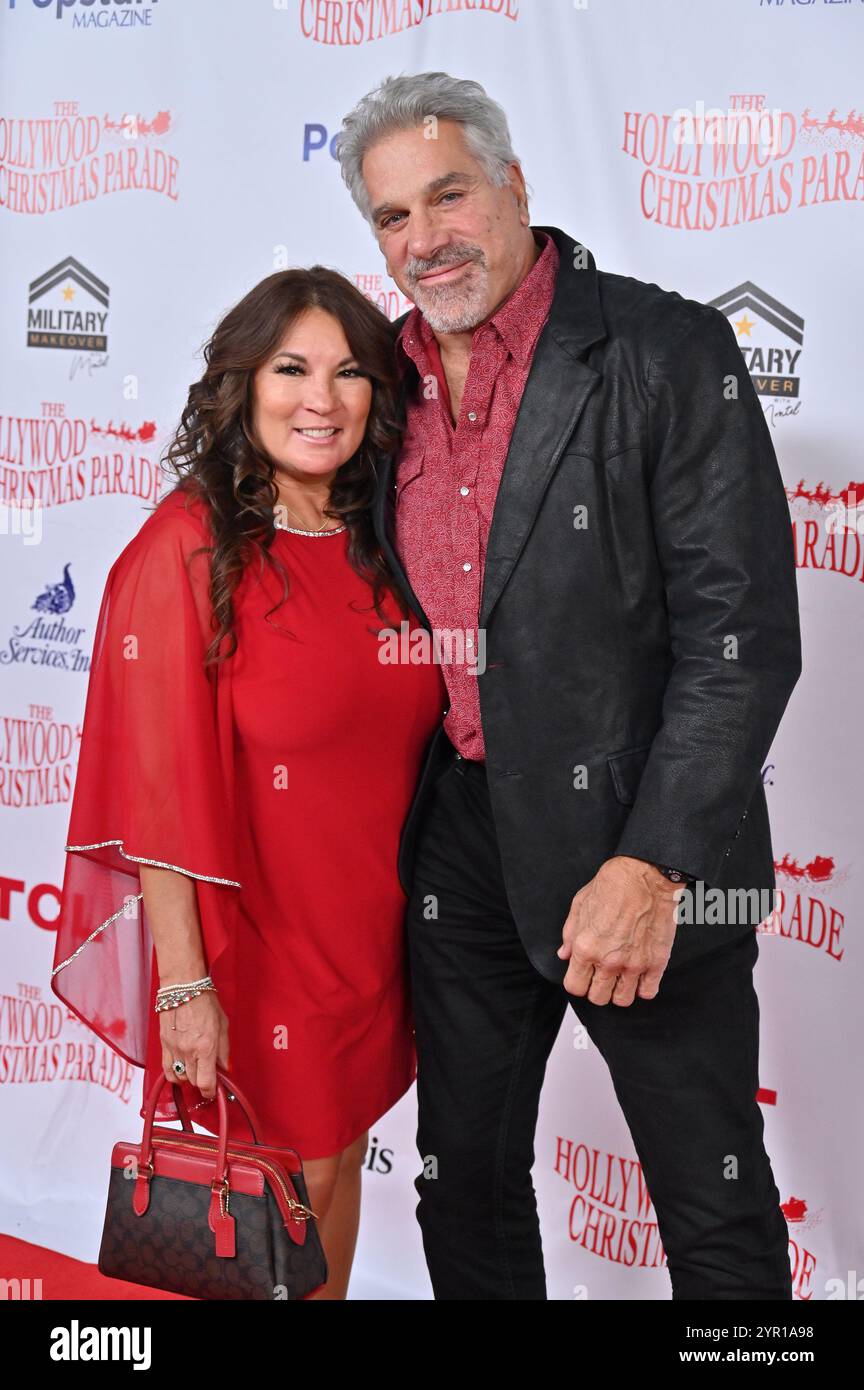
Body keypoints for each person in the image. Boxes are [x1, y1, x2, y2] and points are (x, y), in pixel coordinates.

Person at [334, 72, 802, 1299]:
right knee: (465, 1186)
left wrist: (654, 868)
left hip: (643, 846)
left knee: (712, 1203)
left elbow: (740, 637)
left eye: (448, 193)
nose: (426, 237)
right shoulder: (376, 384)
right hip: (466, 847)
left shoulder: (665, 348)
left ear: (514, 184)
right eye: (392, 217)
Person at [50, 267, 447, 1299]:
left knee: (334, 1169)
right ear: (243, 382)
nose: (322, 398)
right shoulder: (183, 548)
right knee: (285, 1195)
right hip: (251, 948)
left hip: (367, 939)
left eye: (351, 370)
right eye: (292, 367)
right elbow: (157, 793)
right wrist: (185, 989)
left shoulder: (381, 543)